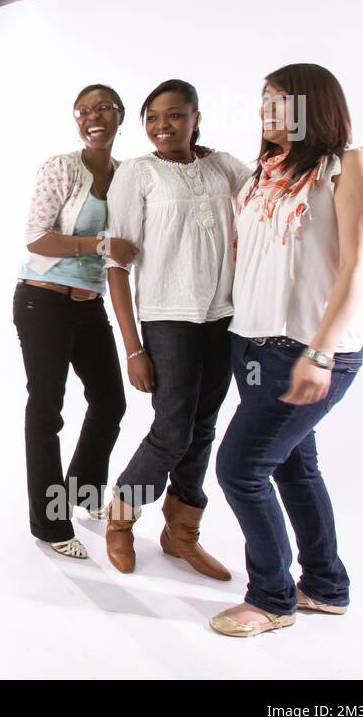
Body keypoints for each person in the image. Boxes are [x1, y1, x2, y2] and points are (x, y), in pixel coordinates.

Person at [210, 64, 363, 638]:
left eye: (282, 101)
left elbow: (358, 267)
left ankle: (272, 598)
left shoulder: (349, 165)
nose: (268, 111)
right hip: (253, 345)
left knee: (240, 469)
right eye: (264, 100)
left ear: (316, 106)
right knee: (294, 467)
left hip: (310, 350)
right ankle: (326, 587)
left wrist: (322, 352)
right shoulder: (265, 173)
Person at [101, 79, 252, 579]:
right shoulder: (138, 174)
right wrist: (133, 348)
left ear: (196, 119)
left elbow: (264, 194)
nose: (162, 127)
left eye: (174, 116)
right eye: (152, 118)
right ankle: (121, 516)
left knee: (204, 427)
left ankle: (181, 532)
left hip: (222, 317)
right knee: (172, 428)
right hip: (168, 318)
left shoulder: (222, 165)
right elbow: (117, 267)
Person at [13, 84, 134, 560]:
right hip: (42, 301)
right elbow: (36, 239)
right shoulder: (60, 167)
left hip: (88, 304)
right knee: (46, 410)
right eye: (82, 111)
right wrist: (98, 245)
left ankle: (84, 492)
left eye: (102, 107)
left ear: (120, 115)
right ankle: (49, 522)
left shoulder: (127, 176)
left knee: (110, 401)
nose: (92, 116)